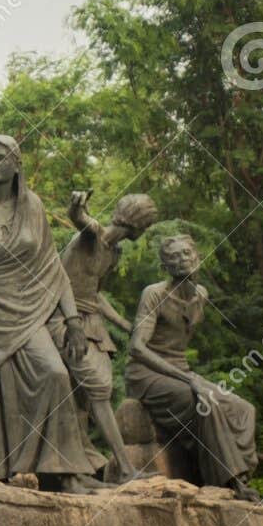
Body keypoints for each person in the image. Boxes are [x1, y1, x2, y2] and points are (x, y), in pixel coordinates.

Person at [0, 136, 103, 492]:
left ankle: (61, 470)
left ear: (17, 164)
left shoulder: (31, 205)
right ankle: (2, 470)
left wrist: (73, 321)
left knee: (54, 374)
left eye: (1, 157)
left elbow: (52, 266)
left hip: (27, 307)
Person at [126, 234, 260, 500]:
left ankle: (242, 473)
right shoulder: (154, 294)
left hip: (179, 370)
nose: (182, 260)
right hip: (145, 374)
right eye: (174, 257)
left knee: (244, 409)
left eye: (187, 253)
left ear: (198, 258)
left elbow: (178, 348)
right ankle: (230, 482)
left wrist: (187, 376)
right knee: (205, 401)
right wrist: (188, 380)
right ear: (165, 266)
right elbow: (136, 348)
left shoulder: (201, 295)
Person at [58, 191, 160, 480]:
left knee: (85, 400)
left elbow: (96, 295)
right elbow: (79, 219)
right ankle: (126, 469)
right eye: (147, 225)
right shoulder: (94, 236)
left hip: (92, 323)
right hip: (66, 321)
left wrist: (126, 325)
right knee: (99, 389)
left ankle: (82, 465)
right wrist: (76, 205)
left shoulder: (115, 252)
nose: (146, 231)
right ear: (138, 223)